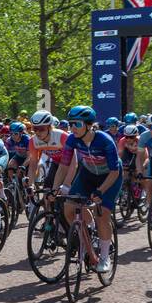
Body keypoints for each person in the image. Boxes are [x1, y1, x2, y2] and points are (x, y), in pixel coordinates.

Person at [53, 105, 121, 274]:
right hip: (88, 174)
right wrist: (54, 189)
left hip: (110, 177)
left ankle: (105, 257)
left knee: (102, 214)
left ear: (88, 125)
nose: (73, 128)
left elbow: (114, 171)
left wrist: (100, 191)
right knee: (69, 208)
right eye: (70, 124)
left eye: (77, 124)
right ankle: (88, 234)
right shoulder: (72, 140)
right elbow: (63, 166)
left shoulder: (105, 140)